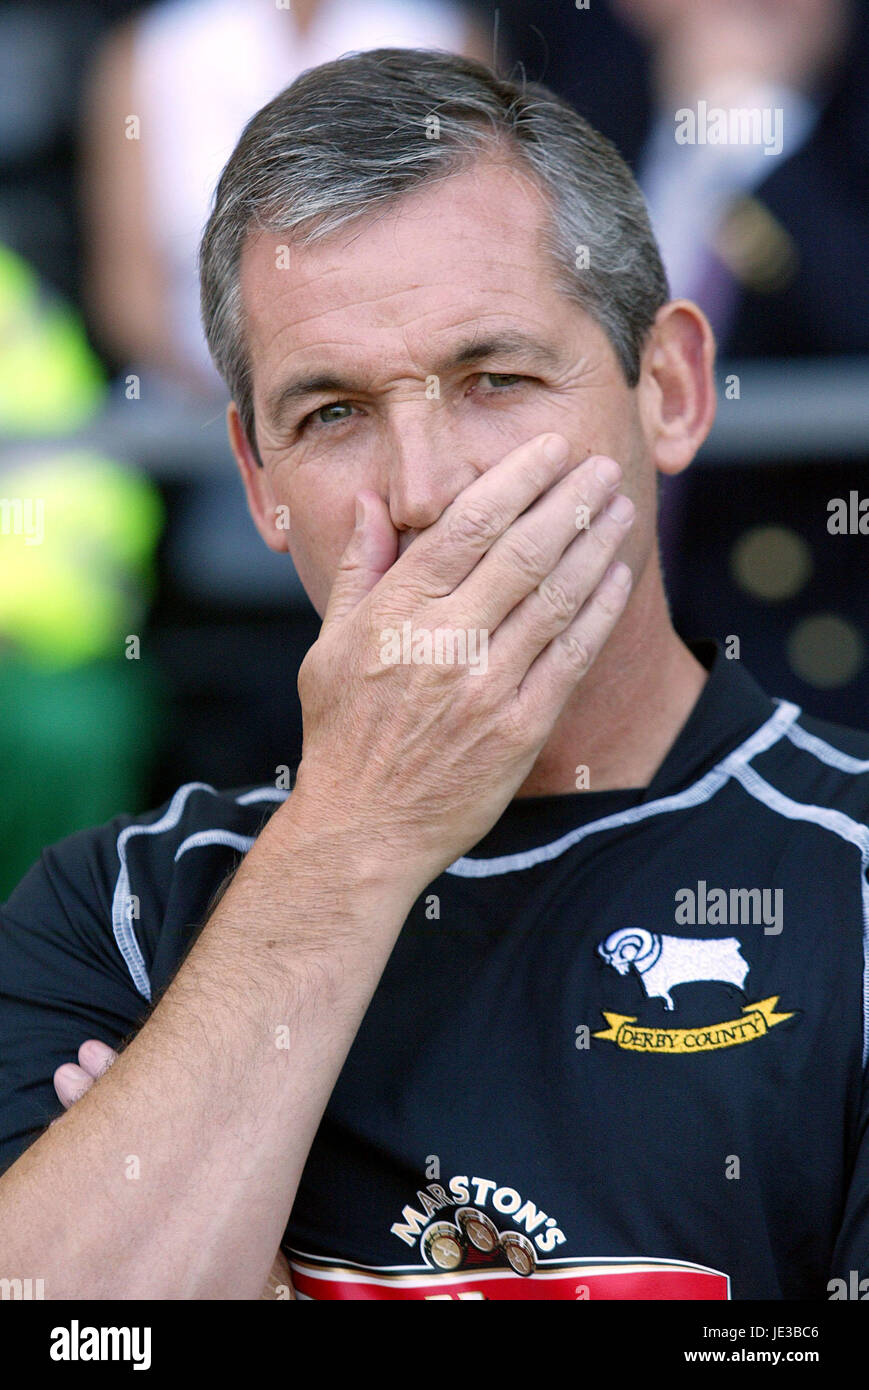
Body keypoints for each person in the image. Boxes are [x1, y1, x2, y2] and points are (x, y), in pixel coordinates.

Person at [1, 48, 867, 1301]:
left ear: (669, 389)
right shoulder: (125, 914)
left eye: (494, 380)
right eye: (333, 415)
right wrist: (356, 828)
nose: (421, 492)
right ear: (257, 487)